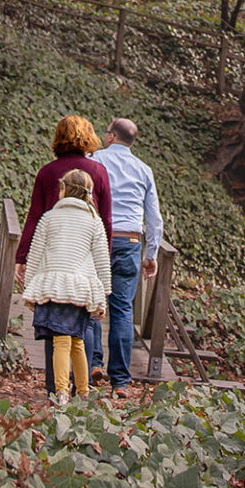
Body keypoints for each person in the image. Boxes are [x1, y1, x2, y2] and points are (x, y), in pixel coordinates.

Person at [16, 115, 113, 393]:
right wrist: (101, 265)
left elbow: (35, 216)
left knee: (55, 329)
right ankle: (84, 385)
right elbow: (106, 220)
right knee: (83, 329)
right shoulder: (97, 171)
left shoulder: (47, 172)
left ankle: (55, 387)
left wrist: (23, 258)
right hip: (84, 263)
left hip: (53, 262)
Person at [90, 117, 164, 397]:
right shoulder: (144, 170)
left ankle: (93, 364)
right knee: (122, 309)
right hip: (130, 242)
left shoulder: (94, 160)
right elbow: (154, 219)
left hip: (99, 238)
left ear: (110, 137)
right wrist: (152, 254)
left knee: (93, 302)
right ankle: (120, 381)